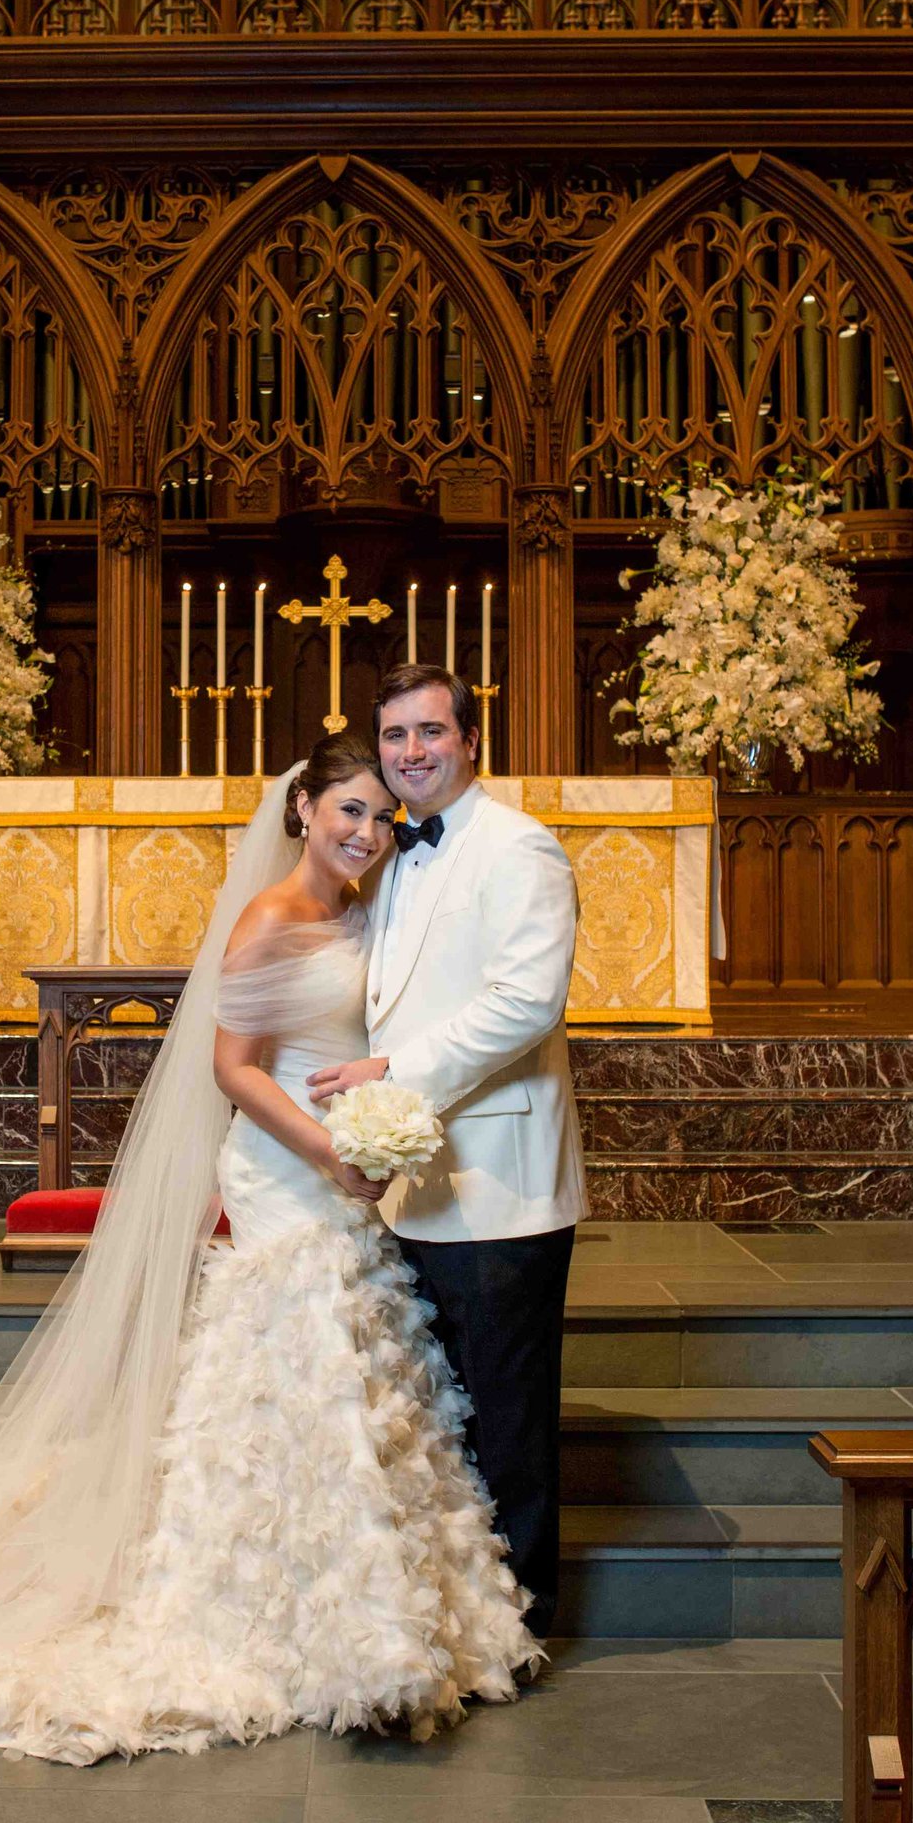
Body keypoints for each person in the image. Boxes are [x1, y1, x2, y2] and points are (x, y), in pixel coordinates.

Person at [0, 731, 535, 1766]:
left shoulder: (363, 907)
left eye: (376, 813)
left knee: (353, 1359)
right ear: (301, 809)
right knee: (301, 1351)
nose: (365, 829)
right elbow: (232, 1067)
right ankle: (302, 1598)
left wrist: (373, 1136)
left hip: (344, 1172)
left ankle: (353, 1590)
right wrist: (330, 1148)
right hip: (281, 1169)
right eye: (345, 808)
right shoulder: (267, 919)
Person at [309, 668, 586, 1639]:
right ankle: (457, 1610)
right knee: (439, 1412)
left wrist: (392, 1073)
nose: (410, 751)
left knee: (505, 1413)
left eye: (429, 730)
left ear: (471, 738)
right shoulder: (384, 855)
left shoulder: (518, 846)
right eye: (393, 736)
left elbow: (524, 1002)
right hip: (410, 1178)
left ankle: (522, 1616)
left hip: (496, 1180)